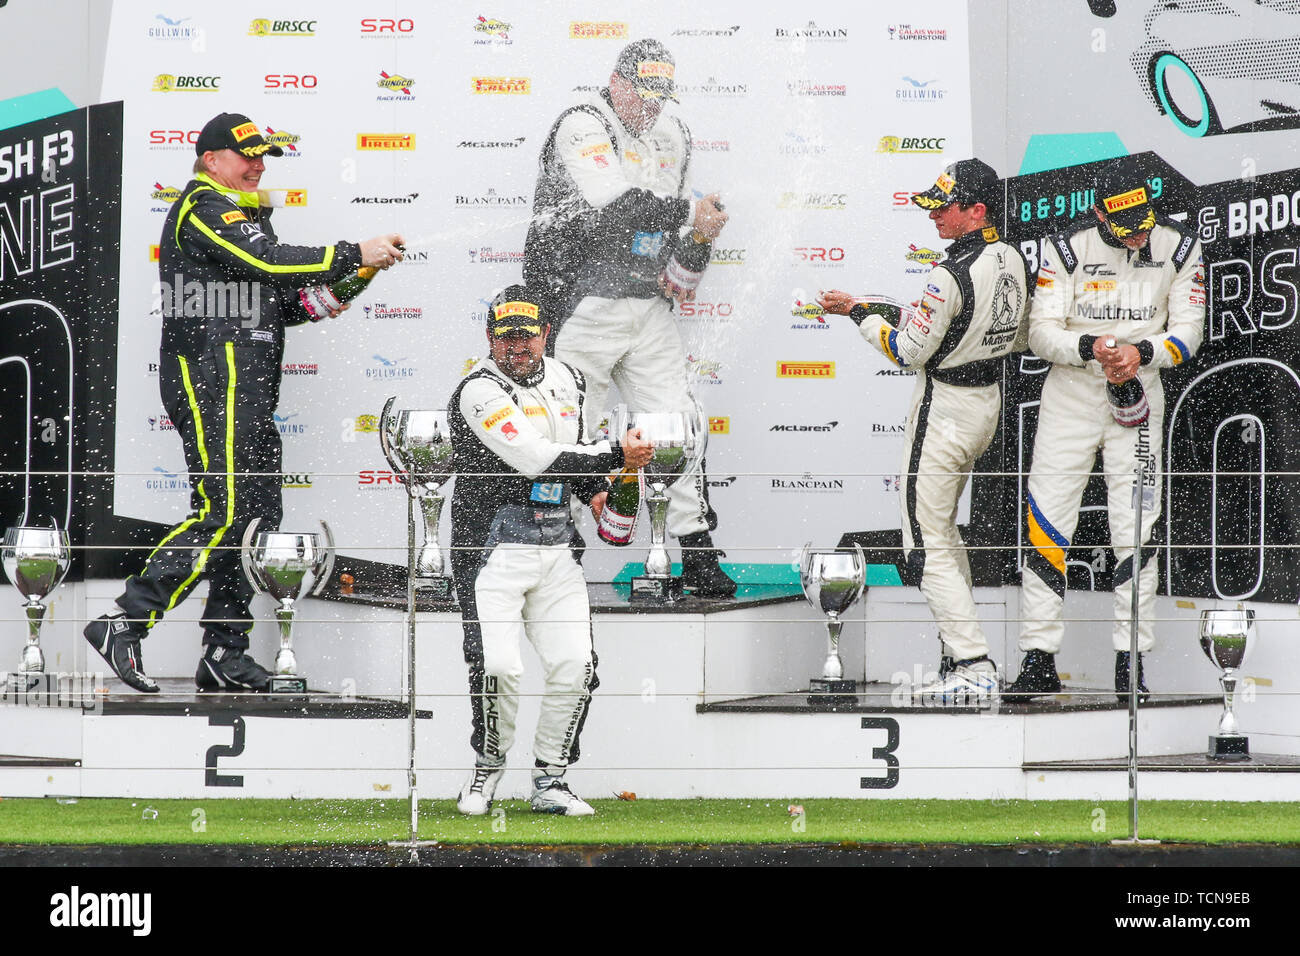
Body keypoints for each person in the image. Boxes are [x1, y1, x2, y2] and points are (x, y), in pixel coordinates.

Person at [84, 112, 405, 693]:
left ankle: (224, 650)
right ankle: (124, 622)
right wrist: (353, 247)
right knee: (225, 510)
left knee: (257, 521)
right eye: (247, 155)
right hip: (213, 380)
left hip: (247, 392)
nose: (259, 165)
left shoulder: (248, 219)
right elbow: (267, 262)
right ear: (211, 160)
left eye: (265, 156)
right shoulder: (205, 206)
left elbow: (298, 304)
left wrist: (362, 272)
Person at [524, 37, 736, 597]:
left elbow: (673, 253)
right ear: (616, 82)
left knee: (678, 424)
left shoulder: (673, 134)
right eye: (643, 95)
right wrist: (694, 211)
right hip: (579, 306)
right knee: (565, 426)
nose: (652, 108)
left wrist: (700, 240)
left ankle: (695, 550)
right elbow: (614, 204)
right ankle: (553, 547)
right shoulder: (582, 122)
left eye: (661, 98)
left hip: (647, 305)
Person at [818, 159, 1031, 706]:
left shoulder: (949, 272)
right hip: (988, 402)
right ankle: (958, 655)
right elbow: (948, 324)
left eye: (945, 205)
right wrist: (865, 304)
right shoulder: (1012, 257)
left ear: (977, 210)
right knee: (944, 533)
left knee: (922, 541)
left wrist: (860, 321)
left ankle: (972, 664)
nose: (934, 214)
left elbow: (910, 349)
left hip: (946, 410)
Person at [1005, 155, 1205, 700]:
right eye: (1125, 229)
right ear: (1098, 214)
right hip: (1071, 393)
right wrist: (1090, 348)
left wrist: (1141, 353)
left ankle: (1130, 663)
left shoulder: (1181, 246)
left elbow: (1191, 330)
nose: (1139, 238)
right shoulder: (1065, 247)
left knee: (1136, 525)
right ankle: (1039, 657)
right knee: (1047, 521)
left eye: (1144, 224)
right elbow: (1040, 333)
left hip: (1141, 391)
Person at [449, 286, 654, 816]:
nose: (517, 344)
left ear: (546, 334)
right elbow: (538, 458)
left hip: (559, 549)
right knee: (498, 667)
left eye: (527, 334)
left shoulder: (570, 379)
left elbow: (574, 453)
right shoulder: (476, 390)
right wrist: (617, 452)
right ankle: (486, 772)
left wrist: (606, 490)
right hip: (491, 552)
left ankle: (551, 781)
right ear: (489, 338)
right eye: (505, 335)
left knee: (576, 667)